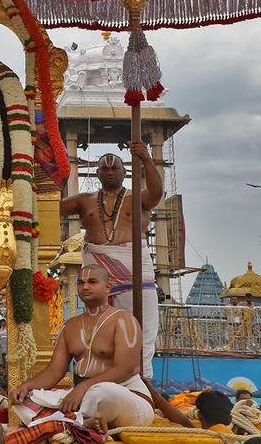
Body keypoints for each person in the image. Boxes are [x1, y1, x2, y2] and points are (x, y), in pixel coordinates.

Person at [59, 145, 163, 377]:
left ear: (124, 172)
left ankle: (142, 379)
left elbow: (156, 194)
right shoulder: (85, 200)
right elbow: (51, 206)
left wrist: (146, 158)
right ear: (97, 173)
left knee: (143, 329)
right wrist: (56, 170)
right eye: (104, 169)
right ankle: (101, 377)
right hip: (98, 273)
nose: (109, 172)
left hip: (135, 270)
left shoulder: (137, 198)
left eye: (114, 168)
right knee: (100, 328)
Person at [10, 265, 153, 432]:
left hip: (126, 397)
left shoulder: (124, 320)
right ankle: (79, 421)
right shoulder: (71, 326)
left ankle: (73, 422)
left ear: (108, 287)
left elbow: (125, 369)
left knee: (100, 393)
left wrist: (82, 388)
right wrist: (27, 386)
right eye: (81, 282)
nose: (85, 287)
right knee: (27, 398)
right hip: (86, 397)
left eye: (92, 282)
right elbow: (54, 372)